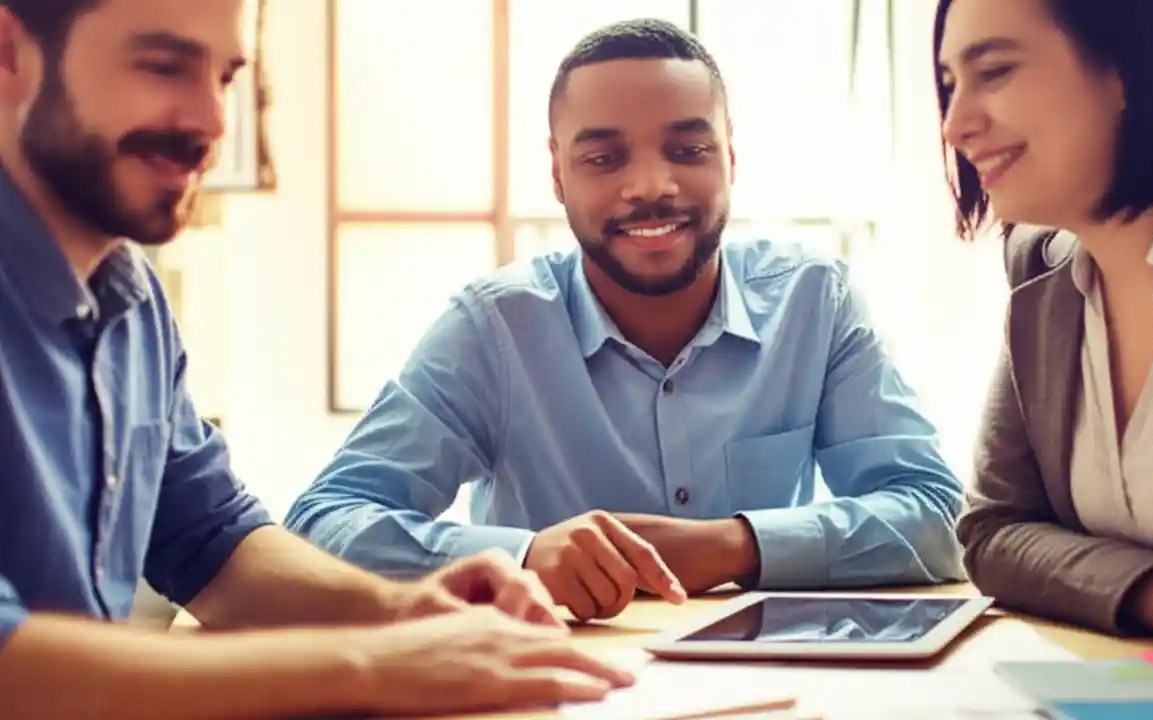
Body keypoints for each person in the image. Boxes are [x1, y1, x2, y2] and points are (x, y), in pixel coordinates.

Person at [0, 1, 633, 717]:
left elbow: (214, 544)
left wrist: (402, 613)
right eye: (163, 66)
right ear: (10, 53)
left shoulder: (134, 299)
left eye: (227, 76)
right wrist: (367, 665)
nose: (213, 120)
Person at [286, 18, 965, 623]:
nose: (650, 186)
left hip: (777, 683)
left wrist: (734, 544)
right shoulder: (493, 328)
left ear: (731, 156)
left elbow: (937, 514)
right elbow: (323, 523)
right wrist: (521, 557)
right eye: (604, 158)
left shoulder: (815, 301)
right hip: (547, 683)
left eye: (687, 150)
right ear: (557, 174)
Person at [936, 0, 1153, 652]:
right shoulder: (1039, 263)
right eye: (951, 84)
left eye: (996, 71)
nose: (955, 125)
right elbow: (994, 530)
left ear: (1130, 65)